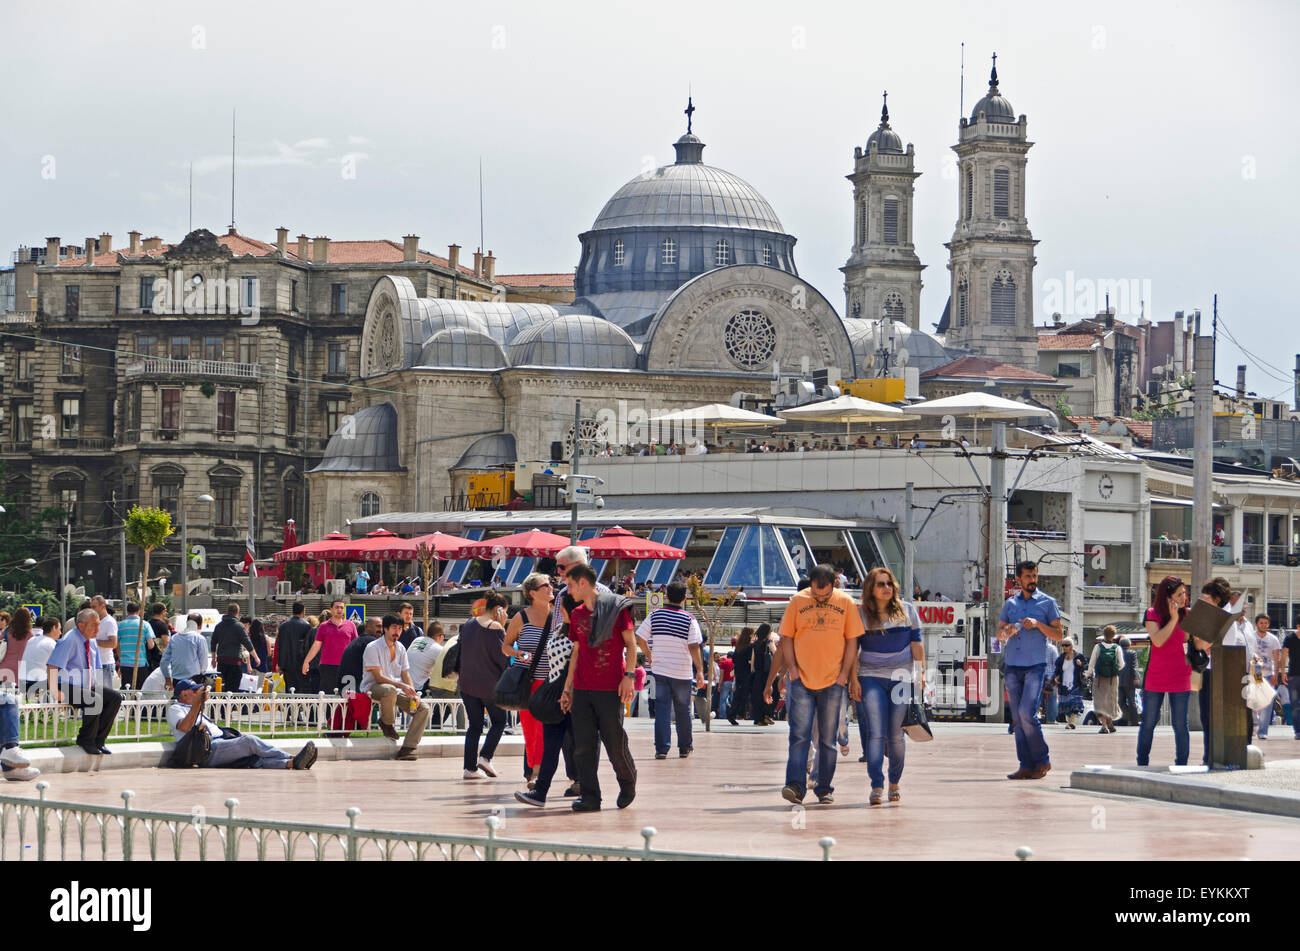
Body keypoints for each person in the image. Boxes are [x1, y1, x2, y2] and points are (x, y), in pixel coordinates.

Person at [767, 563, 864, 806]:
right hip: (801, 681)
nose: (820, 599)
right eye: (816, 594)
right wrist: (792, 669)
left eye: (825, 594)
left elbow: (852, 642)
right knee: (798, 736)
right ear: (810, 584)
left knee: (827, 740)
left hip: (833, 681)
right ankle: (796, 786)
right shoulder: (798, 601)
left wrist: (845, 675)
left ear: (835, 584)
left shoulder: (846, 603)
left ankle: (824, 788)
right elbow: (786, 638)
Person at [559, 564, 638, 812]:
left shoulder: (615, 609)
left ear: (583, 583)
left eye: (570, 585)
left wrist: (629, 676)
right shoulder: (578, 614)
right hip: (582, 689)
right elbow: (577, 652)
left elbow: (631, 645)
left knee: (615, 744)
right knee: (583, 747)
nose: (568, 591)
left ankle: (627, 782)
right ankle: (591, 798)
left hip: (609, 689)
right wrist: (568, 688)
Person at [852, 566, 924, 805]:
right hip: (870, 677)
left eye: (889, 583)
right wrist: (853, 680)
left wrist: (921, 675)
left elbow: (917, 645)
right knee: (875, 733)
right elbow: (853, 651)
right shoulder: (860, 614)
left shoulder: (908, 611)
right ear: (870, 589)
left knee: (895, 734)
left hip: (902, 677)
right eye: (880, 584)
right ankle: (876, 785)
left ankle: (894, 782)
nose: (886, 588)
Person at [514, 590, 582, 808]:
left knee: (579, 747)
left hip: (572, 697)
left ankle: (587, 789)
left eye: (561, 606)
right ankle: (541, 792)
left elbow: (576, 663)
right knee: (552, 746)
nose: (558, 608)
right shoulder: (560, 629)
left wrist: (568, 690)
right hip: (554, 694)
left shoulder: (580, 633)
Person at [998, 560, 1063, 780]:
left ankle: (1042, 760)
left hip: (1035, 666)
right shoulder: (1010, 604)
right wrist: (1010, 629)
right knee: (1017, 718)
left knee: (1027, 713)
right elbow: (999, 635)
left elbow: (1058, 635)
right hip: (1013, 665)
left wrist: (1037, 624)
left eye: (1034, 576)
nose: (1032, 580)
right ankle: (1026, 764)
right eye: (1028, 576)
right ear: (1019, 579)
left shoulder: (1048, 603)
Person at [168, 679, 317, 769]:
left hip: (219, 743)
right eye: (194, 691)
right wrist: (197, 704)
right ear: (184, 694)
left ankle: (291, 764)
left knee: (253, 759)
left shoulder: (192, 706)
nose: (197, 693)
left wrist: (199, 703)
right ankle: (292, 757)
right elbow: (185, 727)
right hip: (206, 751)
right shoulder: (175, 708)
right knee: (249, 741)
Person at [636, 580, 705, 760]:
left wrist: (648, 655)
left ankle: (661, 748)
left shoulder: (655, 615)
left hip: (660, 670)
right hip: (682, 672)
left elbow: (640, 637)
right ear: (684, 598)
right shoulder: (689, 620)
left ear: (666, 596)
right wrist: (699, 670)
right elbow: (694, 647)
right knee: (683, 710)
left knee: (662, 710)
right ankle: (684, 746)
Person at [45, 607, 124, 756]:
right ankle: (85, 740)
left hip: (85, 686)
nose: (98, 628)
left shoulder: (92, 641)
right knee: (94, 699)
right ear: (81, 625)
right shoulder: (69, 639)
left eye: (99, 624)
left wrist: (97, 685)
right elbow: (52, 665)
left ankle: (99, 740)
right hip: (66, 686)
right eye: (94, 625)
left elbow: (96, 667)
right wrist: (55, 691)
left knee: (115, 698)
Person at [503, 573, 555, 785]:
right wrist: (519, 654)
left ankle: (540, 772)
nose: (551, 587)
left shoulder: (558, 616)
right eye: (546, 585)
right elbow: (506, 647)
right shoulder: (521, 618)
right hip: (528, 682)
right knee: (531, 732)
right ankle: (535, 772)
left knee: (546, 731)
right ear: (533, 593)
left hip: (552, 683)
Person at [1137, 576, 1193, 767]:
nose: (1184, 597)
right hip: (1156, 675)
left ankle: (1182, 764)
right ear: (1167, 597)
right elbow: (1158, 641)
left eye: (1185, 593)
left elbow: (1189, 640)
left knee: (1180, 724)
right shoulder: (1152, 614)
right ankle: (1142, 762)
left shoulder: (1188, 615)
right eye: (1179, 594)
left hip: (1181, 675)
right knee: (1149, 722)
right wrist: (1174, 618)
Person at [363, 614, 431, 760]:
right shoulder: (373, 647)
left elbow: (405, 674)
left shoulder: (401, 648)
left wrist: (412, 693)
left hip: (395, 690)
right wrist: (401, 685)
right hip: (374, 688)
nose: (397, 632)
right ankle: (387, 723)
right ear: (385, 629)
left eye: (400, 628)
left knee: (423, 708)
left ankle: (408, 748)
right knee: (390, 690)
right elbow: (378, 677)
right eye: (394, 628)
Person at [459, 590, 510, 779]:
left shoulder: (469, 624)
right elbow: (503, 658)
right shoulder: (495, 627)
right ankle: (486, 757)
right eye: (505, 611)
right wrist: (503, 628)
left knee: (474, 726)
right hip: (490, 685)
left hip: (467, 684)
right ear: (498, 610)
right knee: (499, 722)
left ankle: (469, 768)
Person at [301, 599, 358, 694]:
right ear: (331, 609)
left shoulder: (351, 625)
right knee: (328, 697)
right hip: (327, 667)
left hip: (347, 667)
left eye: (341, 607)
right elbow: (316, 645)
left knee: (348, 697)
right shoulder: (323, 626)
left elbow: (355, 645)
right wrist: (306, 661)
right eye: (336, 607)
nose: (339, 609)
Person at [1245, 614, 1282, 739]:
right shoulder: (1251, 637)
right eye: (1261, 623)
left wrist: (1276, 674)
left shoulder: (1273, 639)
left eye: (1266, 623)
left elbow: (1277, 659)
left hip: (1269, 673)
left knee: (1268, 702)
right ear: (1256, 624)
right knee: (1254, 700)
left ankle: (1262, 731)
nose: (1264, 625)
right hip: (1256, 670)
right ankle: (1254, 726)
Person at [1087, 625, 1125, 734]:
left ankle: (1104, 726)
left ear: (1104, 634)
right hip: (1113, 679)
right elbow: (1122, 664)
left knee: (1100, 702)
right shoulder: (1117, 648)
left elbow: (1092, 663)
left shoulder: (1098, 647)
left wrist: (1089, 673)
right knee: (1111, 701)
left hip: (1099, 678)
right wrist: (1114, 670)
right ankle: (1111, 723)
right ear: (1114, 636)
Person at [212, 603, 256, 692]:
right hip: (234, 662)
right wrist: (256, 657)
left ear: (227, 612)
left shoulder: (219, 626)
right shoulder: (239, 626)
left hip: (221, 661)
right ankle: (230, 705)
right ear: (237, 613)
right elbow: (247, 643)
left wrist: (213, 659)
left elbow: (213, 643)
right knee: (233, 689)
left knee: (222, 688)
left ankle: (222, 704)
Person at [161, 614, 211, 689]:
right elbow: (204, 662)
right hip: (194, 679)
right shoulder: (199, 638)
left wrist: (168, 679)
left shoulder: (174, 638)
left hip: (177, 679)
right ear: (200, 625)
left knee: (179, 699)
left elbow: (164, 661)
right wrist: (201, 674)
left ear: (187, 622)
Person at [274, 602, 313, 694]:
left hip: (287, 663)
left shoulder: (283, 626)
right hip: (301, 663)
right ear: (303, 611)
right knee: (302, 689)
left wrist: (279, 663)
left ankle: (289, 707)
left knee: (289, 688)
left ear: (292, 611)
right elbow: (308, 646)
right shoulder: (306, 626)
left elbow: (280, 645)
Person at [21, 615, 61, 699]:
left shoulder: (31, 640)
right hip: (39, 684)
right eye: (59, 629)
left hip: (24, 681)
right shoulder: (51, 644)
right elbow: (59, 667)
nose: (60, 633)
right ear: (54, 628)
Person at [1052, 637, 1087, 729]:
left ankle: (1072, 722)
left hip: (1076, 683)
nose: (1064, 647)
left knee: (1075, 703)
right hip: (1064, 684)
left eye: (1066, 645)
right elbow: (1057, 670)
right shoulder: (1061, 658)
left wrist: (1081, 665)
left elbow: (1086, 667)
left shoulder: (1079, 656)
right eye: (1063, 645)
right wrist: (1055, 677)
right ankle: (1069, 722)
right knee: (1066, 704)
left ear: (1071, 646)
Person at [116, 602, 152, 691]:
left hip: (125, 663)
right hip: (141, 663)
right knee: (140, 691)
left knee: (126, 690)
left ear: (127, 612)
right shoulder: (145, 624)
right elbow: (151, 645)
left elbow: (116, 645)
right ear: (139, 611)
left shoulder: (120, 625)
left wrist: (121, 658)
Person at [89, 595, 119, 691]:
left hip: (105, 664)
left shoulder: (109, 622)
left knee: (103, 697)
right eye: (91, 607)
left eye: (94, 607)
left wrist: (93, 641)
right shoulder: (95, 621)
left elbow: (113, 644)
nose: (92, 609)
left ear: (102, 606)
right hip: (95, 663)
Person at [406, 621, 444, 693]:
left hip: (403, 682)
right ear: (441, 637)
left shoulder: (417, 639)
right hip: (417, 687)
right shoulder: (438, 648)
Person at [750, 624, 776, 725]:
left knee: (758, 695)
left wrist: (753, 671)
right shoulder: (769, 642)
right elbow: (776, 653)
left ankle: (758, 718)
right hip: (767, 673)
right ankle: (766, 715)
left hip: (758, 673)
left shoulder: (755, 644)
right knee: (770, 693)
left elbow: (753, 660)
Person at [729, 627, 753, 725]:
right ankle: (735, 713)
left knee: (738, 694)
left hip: (739, 673)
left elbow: (734, 660)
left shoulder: (738, 646)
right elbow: (750, 661)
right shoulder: (750, 647)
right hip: (746, 673)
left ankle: (734, 713)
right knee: (744, 694)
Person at [1118, 636, 1141, 726]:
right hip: (1130, 681)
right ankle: (1134, 722)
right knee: (1132, 701)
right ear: (1129, 645)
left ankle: (1121, 720)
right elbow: (1134, 666)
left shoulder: (1117, 653)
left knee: (1121, 702)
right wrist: (1135, 677)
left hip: (1119, 681)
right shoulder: (1132, 653)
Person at [146, 603, 171, 678]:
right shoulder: (162, 625)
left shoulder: (148, 623)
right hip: (158, 657)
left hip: (148, 656)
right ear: (163, 612)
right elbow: (166, 642)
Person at [247, 618, 271, 687]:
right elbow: (269, 653)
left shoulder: (249, 638)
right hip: (262, 666)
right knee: (259, 688)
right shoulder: (266, 638)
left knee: (250, 688)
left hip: (251, 666)